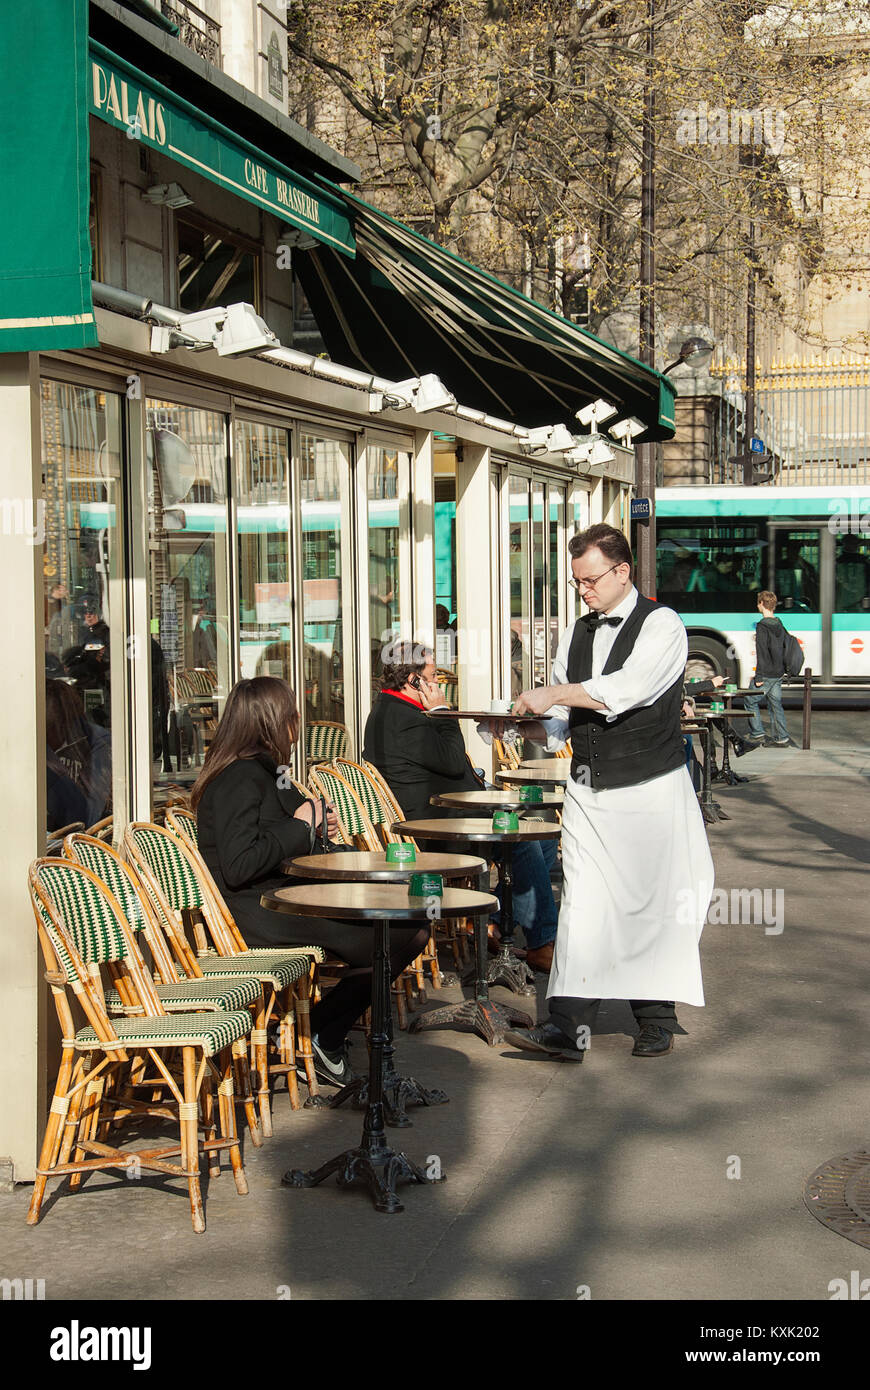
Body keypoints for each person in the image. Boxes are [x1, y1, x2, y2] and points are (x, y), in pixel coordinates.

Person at [502, 522, 714, 1061]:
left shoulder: (662, 625)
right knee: (585, 907)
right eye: (576, 582)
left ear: (623, 571)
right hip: (589, 792)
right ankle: (566, 1026)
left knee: (649, 905)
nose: (583, 590)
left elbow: (624, 690)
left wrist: (551, 692)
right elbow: (564, 717)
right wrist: (528, 727)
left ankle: (655, 1018)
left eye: (590, 579)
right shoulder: (577, 631)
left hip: (650, 791)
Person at [192, 676, 429, 1087]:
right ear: (273, 722)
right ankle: (325, 1031)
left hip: (287, 899)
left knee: (406, 922)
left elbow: (282, 832)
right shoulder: (238, 779)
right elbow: (239, 864)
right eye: (292, 715)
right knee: (400, 931)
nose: (298, 723)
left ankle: (327, 1029)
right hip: (259, 913)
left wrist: (317, 823)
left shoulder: (266, 772)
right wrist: (302, 825)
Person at [363, 640, 559, 971]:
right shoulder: (402, 719)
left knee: (541, 841)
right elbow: (453, 762)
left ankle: (493, 923)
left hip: (443, 818)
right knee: (523, 844)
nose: (438, 683)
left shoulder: (393, 711)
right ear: (414, 682)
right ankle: (538, 943)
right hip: (433, 830)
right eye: (433, 676)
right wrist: (442, 712)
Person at [743, 590, 790, 747]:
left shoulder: (762, 626)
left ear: (762, 604)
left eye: (758, 603)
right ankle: (782, 737)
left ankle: (757, 733)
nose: (757, 605)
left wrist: (758, 677)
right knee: (775, 704)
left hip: (767, 673)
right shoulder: (779, 623)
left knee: (749, 700)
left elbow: (762, 652)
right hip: (778, 672)